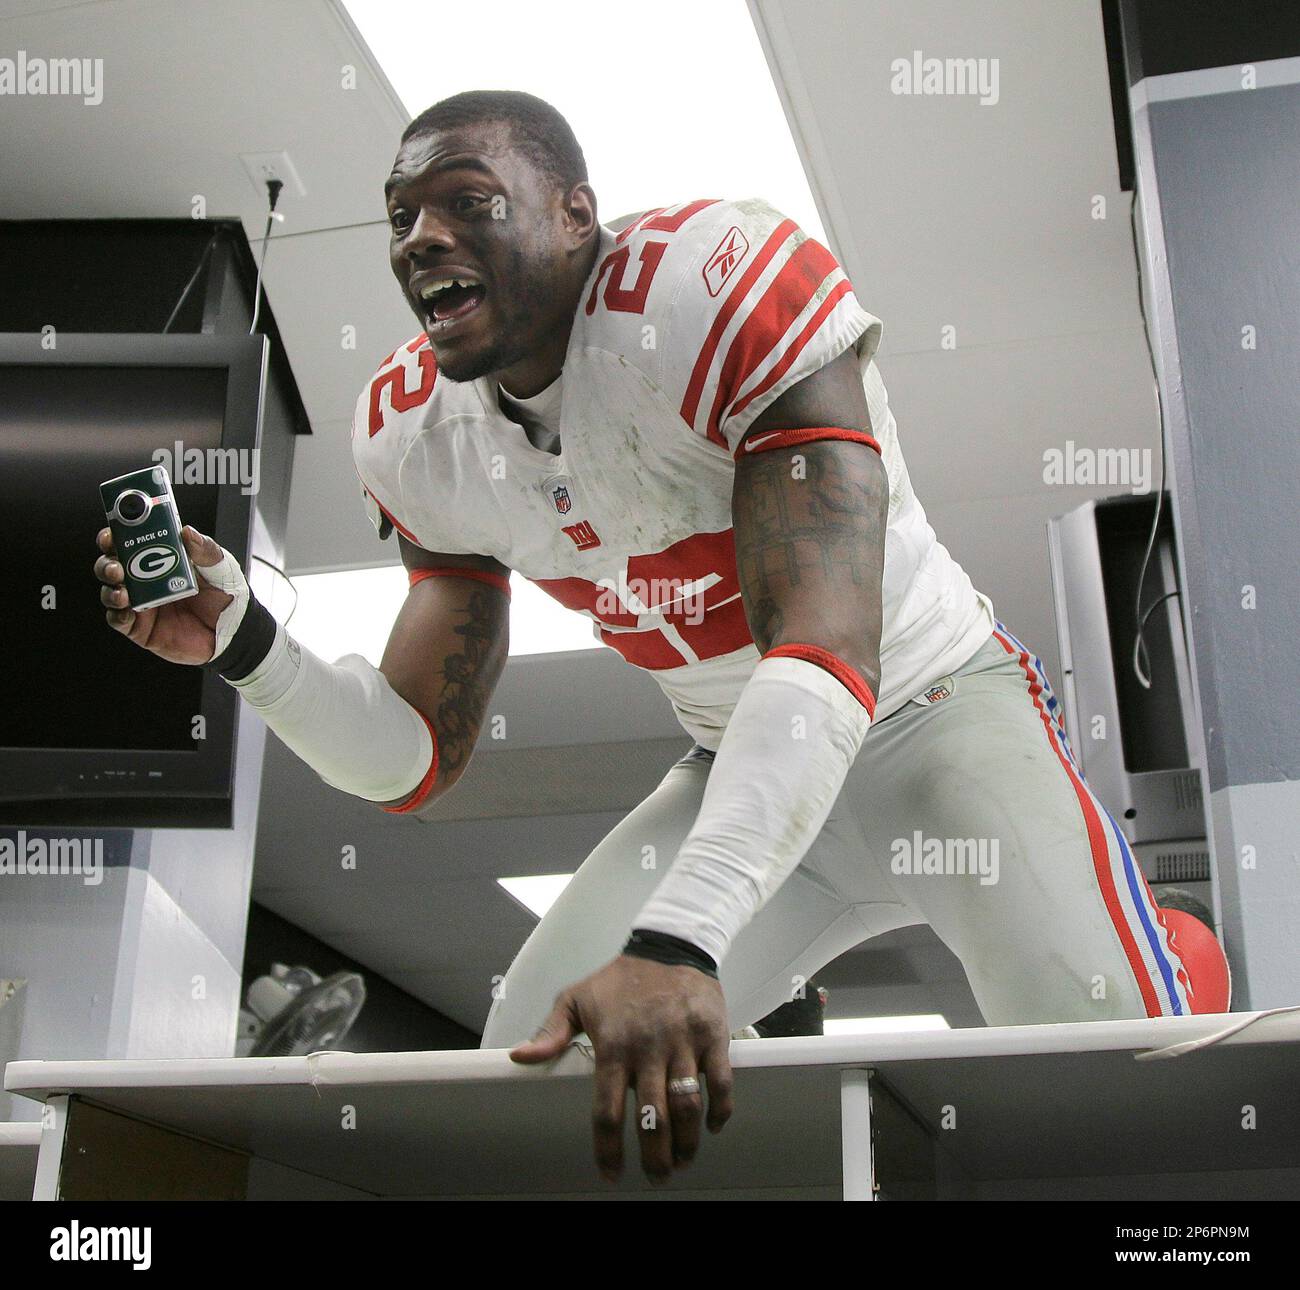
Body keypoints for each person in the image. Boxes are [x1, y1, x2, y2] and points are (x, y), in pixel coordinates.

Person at [95, 90, 1228, 1187]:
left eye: (468, 201)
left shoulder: (711, 288)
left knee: (1111, 1085)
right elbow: (408, 764)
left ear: (577, 216)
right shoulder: (413, 431)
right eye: (400, 215)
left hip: (929, 718)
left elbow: (829, 651)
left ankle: (1169, 950)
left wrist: (680, 940)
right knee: (520, 1079)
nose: (421, 237)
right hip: (737, 754)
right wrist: (251, 646)